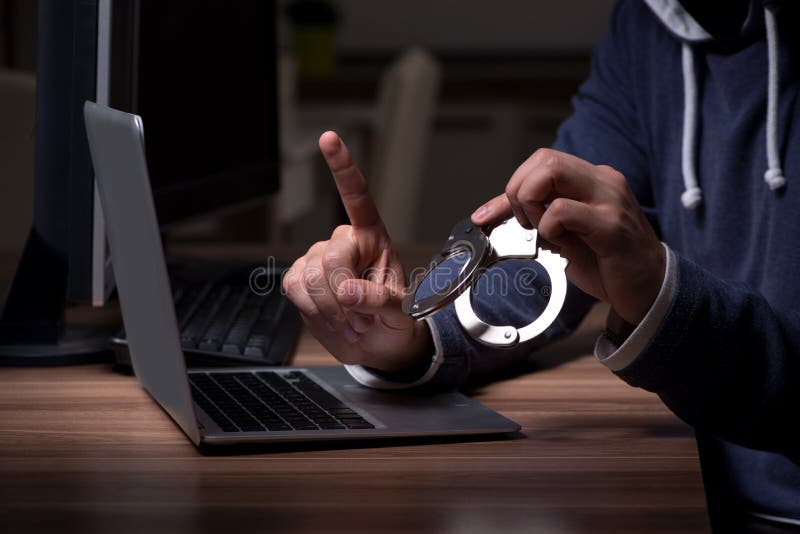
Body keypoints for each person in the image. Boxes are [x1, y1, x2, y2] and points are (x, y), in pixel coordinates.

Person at [282, 0, 799, 529]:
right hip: (699, 493)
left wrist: (662, 295)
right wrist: (413, 337)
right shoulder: (645, 23)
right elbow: (547, 249)